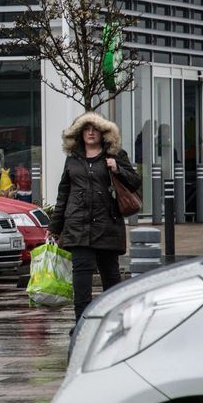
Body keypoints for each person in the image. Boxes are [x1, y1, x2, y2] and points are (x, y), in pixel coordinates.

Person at [47, 112, 141, 320]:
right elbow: (64, 193)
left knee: (111, 277)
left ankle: (114, 320)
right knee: (81, 280)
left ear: (103, 133)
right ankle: (81, 323)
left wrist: (117, 169)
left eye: (95, 129)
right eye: (86, 129)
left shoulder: (116, 155)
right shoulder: (73, 160)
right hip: (78, 226)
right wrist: (55, 227)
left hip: (107, 225)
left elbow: (135, 182)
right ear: (79, 134)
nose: (90, 133)